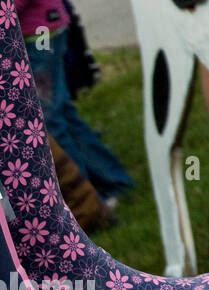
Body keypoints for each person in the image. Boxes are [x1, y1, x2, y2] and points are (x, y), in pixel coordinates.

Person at [17, 0, 135, 202]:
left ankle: (88, 199)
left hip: (38, 37)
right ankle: (113, 181)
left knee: (51, 121)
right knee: (63, 114)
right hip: (45, 30)